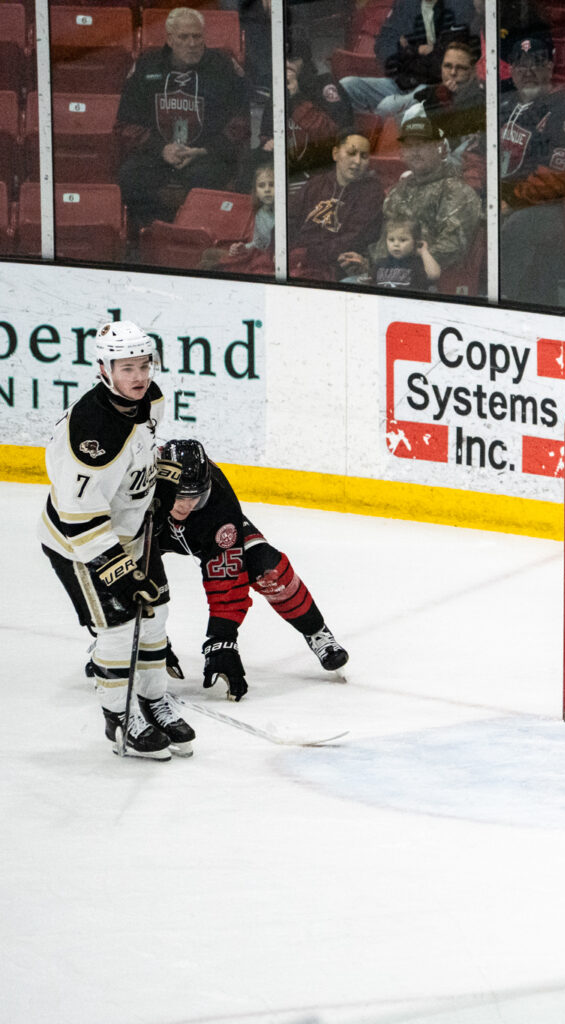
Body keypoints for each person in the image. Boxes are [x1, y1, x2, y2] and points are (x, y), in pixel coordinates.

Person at [38, 321, 194, 760]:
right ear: (104, 370)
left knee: (156, 613)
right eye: (127, 368)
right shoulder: (92, 436)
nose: (140, 376)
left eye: (144, 364)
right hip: (79, 544)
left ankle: (152, 699)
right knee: (119, 625)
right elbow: (78, 518)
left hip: (131, 530)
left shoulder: (150, 399)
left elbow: (149, 448)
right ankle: (118, 716)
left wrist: (159, 484)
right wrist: (121, 575)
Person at [153, 439, 349, 702]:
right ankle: (110, 642)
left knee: (268, 568)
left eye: (194, 498)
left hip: (206, 532)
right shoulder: (136, 489)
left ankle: (316, 631)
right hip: (153, 526)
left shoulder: (219, 504)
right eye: (179, 496)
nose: (185, 506)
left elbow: (226, 578)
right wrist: (145, 636)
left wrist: (222, 638)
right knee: (130, 575)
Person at [116, 7, 248, 237]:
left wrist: (204, 150)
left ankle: (197, 240)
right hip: (155, 153)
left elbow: (240, 123)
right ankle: (149, 239)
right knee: (131, 175)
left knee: (209, 177)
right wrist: (161, 149)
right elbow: (125, 124)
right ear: (169, 38)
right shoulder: (147, 66)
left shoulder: (223, 67)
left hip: (205, 155)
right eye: (183, 37)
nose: (192, 43)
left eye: (197, 36)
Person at [494, 33, 565, 306]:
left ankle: (504, 301)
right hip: (504, 198)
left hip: (549, 207)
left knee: (515, 228)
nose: (528, 72)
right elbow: (477, 154)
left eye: (536, 64)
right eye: (520, 65)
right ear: (511, 70)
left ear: (549, 67)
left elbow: (555, 179)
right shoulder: (504, 104)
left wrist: (511, 200)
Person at [370, 116, 483, 279]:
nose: (415, 151)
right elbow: (384, 241)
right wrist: (370, 265)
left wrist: (401, 269)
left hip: (430, 285)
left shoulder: (457, 191)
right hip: (390, 277)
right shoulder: (397, 192)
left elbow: (451, 248)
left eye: (422, 144)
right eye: (409, 146)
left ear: (438, 147)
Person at [340, 0, 475, 119]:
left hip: (434, 85)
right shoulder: (408, 3)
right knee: (347, 86)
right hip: (404, 80)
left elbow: (449, 58)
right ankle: (355, 142)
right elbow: (383, 44)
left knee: (387, 105)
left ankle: (385, 142)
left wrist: (407, 52)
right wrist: (416, 51)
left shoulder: (459, 5)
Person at [291, 133, 387, 283]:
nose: (357, 161)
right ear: (335, 154)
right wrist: (280, 249)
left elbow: (353, 240)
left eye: (364, 156)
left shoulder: (372, 193)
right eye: (351, 153)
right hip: (296, 257)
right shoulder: (316, 184)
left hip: (334, 267)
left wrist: (307, 254)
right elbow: (288, 219)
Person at [258, 38, 355, 178]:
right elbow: (266, 131)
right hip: (286, 163)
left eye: (293, 59)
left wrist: (297, 98)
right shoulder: (278, 88)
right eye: (283, 59)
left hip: (322, 164)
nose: (287, 64)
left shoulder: (325, 86)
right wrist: (268, 142)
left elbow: (334, 135)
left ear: (305, 61)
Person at [400, 39, 487, 153]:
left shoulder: (480, 98)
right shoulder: (434, 92)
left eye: (460, 68)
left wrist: (446, 99)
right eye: (447, 66)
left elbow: (453, 140)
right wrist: (440, 95)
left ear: (472, 72)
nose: (452, 73)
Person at [206, 161, 277, 275]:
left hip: (270, 260)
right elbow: (258, 243)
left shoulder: (287, 212)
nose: (267, 189)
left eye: (272, 185)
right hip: (258, 254)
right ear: (256, 192)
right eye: (262, 185)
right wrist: (244, 248)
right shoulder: (261, 212)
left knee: (212, 264)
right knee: (208, 254)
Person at [371, 217, 443, 290]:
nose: (396, 244)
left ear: (415, 242)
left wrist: (424, 251)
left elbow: (434, 275)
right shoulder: (380, 264)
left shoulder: (419, 263)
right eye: (391, 240)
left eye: (403, 240)